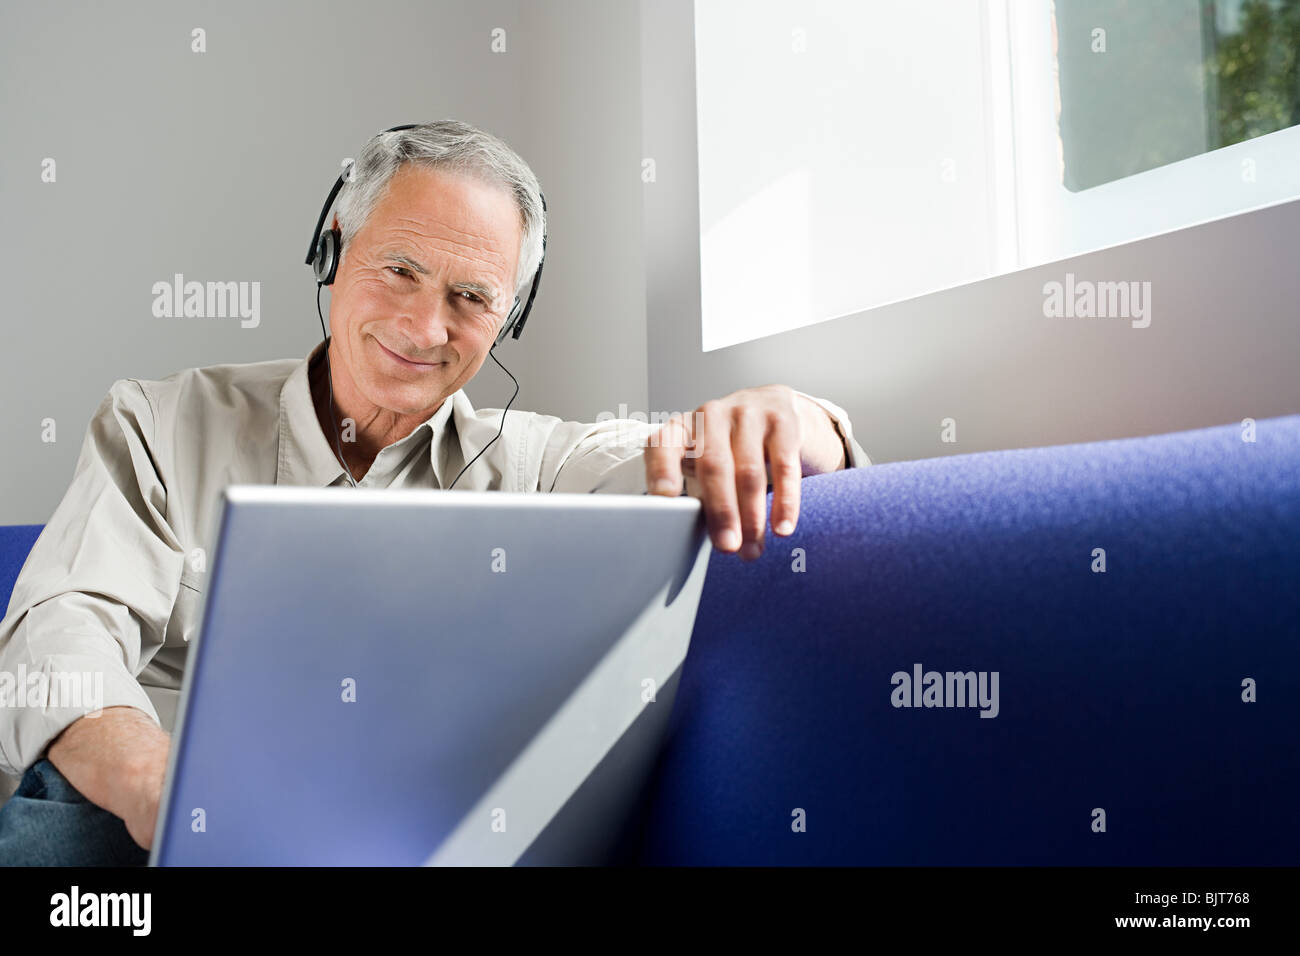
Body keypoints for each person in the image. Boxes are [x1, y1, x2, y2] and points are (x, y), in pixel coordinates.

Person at [0, 120, 869, 865]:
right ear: (332, 250)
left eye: (471, 297)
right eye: (400, 270)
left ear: (511, 315)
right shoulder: (160, 421)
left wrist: (789, 415)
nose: (425, 327)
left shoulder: (536, 465)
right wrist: (159, 785)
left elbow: (676, 460)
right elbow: (60, 635)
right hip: (144, 834)